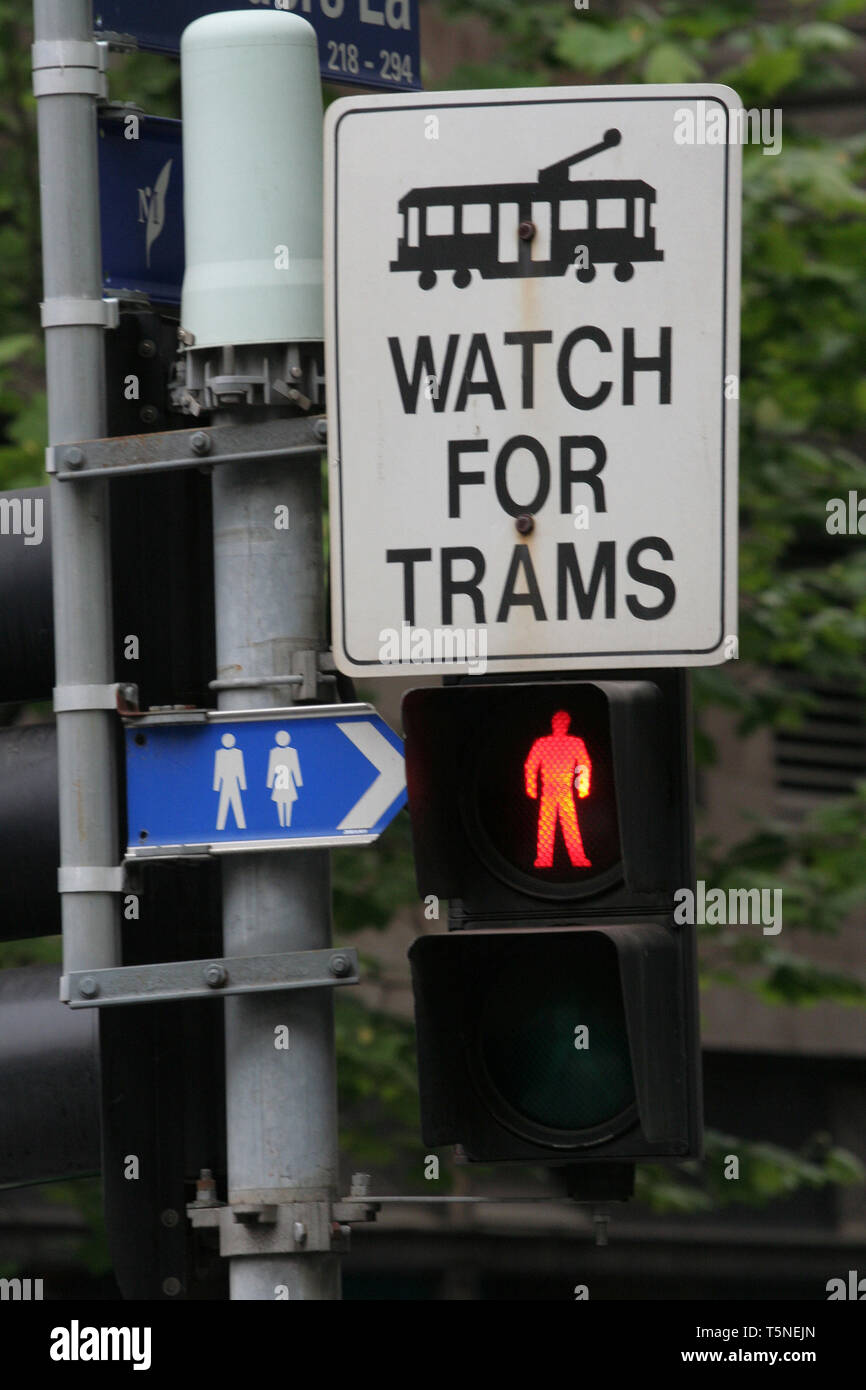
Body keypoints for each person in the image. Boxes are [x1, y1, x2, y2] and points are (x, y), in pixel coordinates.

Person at [524, 710, 592, 869]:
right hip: (548, 787)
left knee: (570, 824)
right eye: (557, 722)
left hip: (563, 786)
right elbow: (531, 765)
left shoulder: (575, 743)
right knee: (546, 824)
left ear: (567, 724)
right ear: (553, 723)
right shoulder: (542, 743)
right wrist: (531, 786)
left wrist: (582, 787)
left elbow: (583, 764)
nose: (560, 726)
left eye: (563, 723)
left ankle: (577, 858)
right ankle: (544, 859)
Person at [267, 730, 303, 828]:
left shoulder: (292, 752)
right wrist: (270, 783)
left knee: (289, 801)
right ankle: (281, 823)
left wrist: (298, 781)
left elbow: (295, 767)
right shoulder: (274, 752)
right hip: (278, 782)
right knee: (279, 801)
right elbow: (271, 768)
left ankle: (288, 822)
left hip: (289, 781)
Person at [213, 732, 247, 831]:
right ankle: (220, 826)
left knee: (237, 803)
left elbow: (240, 769)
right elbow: (217, 770)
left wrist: (242, 784)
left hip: (234, 782)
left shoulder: (238, 753)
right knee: (223, 804)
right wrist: (217, 785)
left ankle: (241, 825)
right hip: (225, 782)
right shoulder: (220, 753)